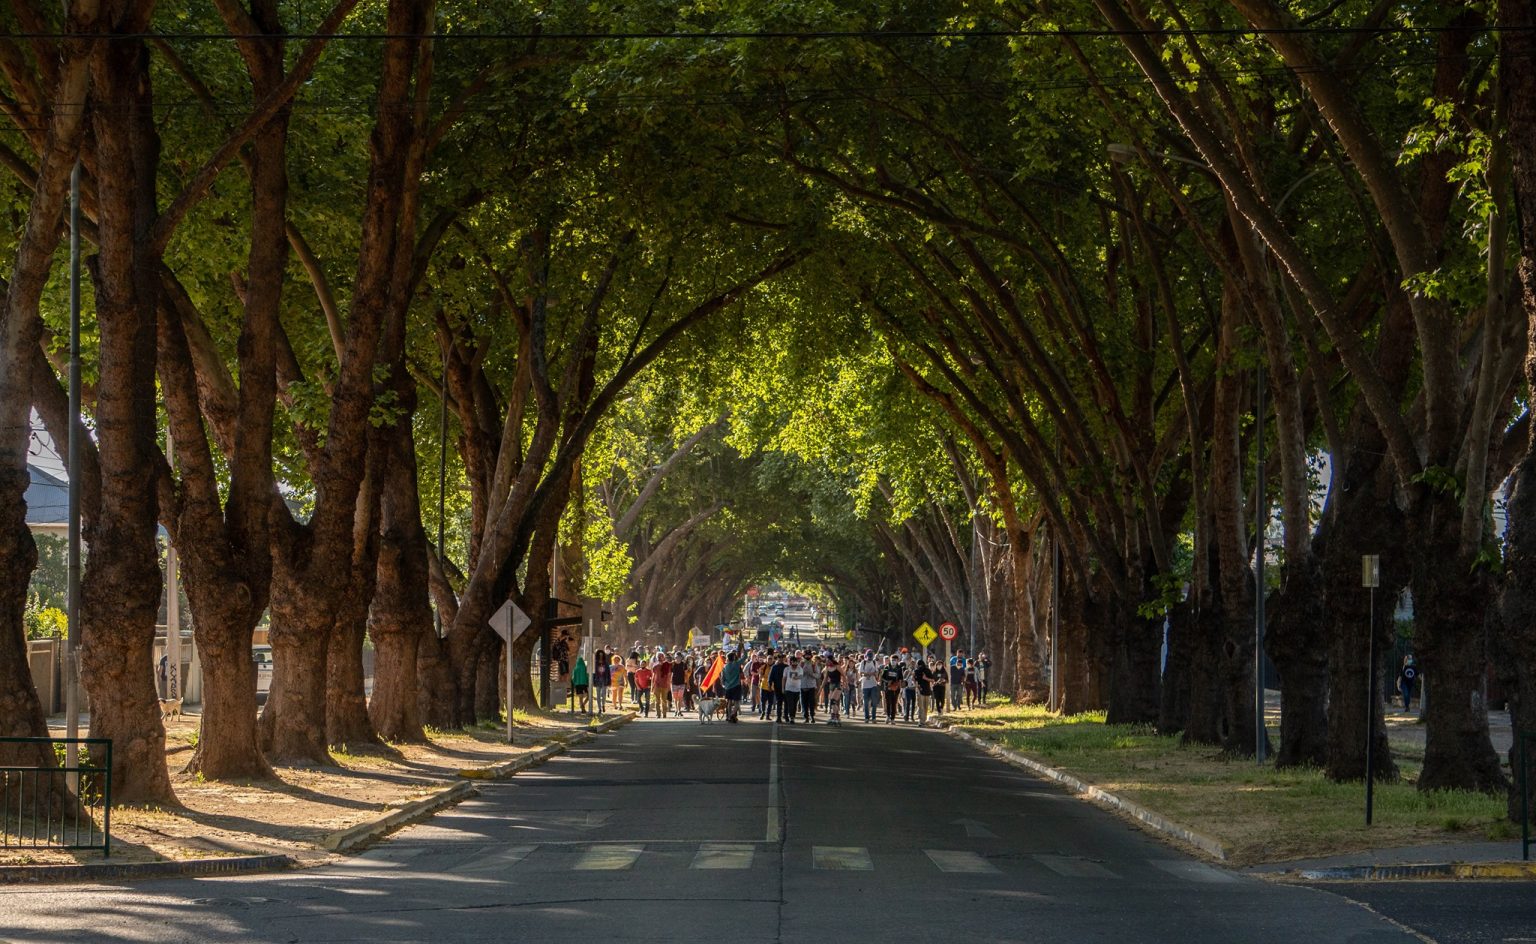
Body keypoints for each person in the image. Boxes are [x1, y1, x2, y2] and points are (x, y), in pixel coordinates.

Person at [879, 657, 904, 723]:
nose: (893, 661)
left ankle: (893, 718)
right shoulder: (887, 667)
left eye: (895, 660)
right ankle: (888, 716)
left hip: (896, 688)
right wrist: (887, 682)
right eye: (892, 660)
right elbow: (882, 678)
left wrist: (898, 685)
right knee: (888, 702)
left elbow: (901, 678)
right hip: (888, 687)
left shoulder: (899, 669)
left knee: (894, 702)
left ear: (897, 660)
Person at [722, 650, 744, 723]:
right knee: (737, 702)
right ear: (734, 657)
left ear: (727, 658)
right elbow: (745, 657)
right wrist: (743, 648)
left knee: (729, 702)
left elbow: (723, 678)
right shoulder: (737, 664)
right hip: (736, 686)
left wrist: (724, 684)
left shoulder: (724, 667)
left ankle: (728, 716)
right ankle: (733, 714)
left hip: (728, 687)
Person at [858, 650, 880, 723]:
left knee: (874, 702)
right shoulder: (863, 662)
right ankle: (866, 717)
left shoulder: (874, 662)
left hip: (873, 684)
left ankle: (874, 718)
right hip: (865, 685)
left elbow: (877, 672)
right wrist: (867, 674)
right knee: (866, 702)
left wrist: (873, 673)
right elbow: (860, 672)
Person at [782, 656, 804, 724]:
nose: (794, 663)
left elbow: (801, 676)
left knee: (794, 704)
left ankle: (793, 717)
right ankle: (791, 716)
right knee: (790, 703)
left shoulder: (799, 668)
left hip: (797, 689)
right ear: (790, 662)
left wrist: (797, 677)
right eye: (792, 662)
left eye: (795, 662)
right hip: (788, 688)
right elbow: (784, 678)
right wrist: (783, 688)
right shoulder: (787, 669)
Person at [913, 656, 933, 723]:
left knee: (925, 706)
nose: (920, 666)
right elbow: (914, 680)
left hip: (927, 690)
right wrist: (915, 684)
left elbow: (933, 680)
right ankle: (921, 720)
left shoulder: (927, 671)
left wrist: (925, 678)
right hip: (920, 690)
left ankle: (923, 719)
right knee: (921, 706)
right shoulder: (916, 671)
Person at [801, 655, 821, 723]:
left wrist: (811, 674)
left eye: (808, 657)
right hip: (803, 686)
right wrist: (802, 673)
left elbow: (818, 675)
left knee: (811, 702)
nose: (807, 659)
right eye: (806, 657)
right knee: (804, 703)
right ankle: (806, 717)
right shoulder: (801, 664)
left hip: (811, 686)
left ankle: (812, 716)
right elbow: (797, 674)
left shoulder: (814, 665)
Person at [824, 657, 843, 725]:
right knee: (832, 702)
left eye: (828, 660)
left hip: (838, 685)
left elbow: (843, 675)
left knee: (833, 700)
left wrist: (846, 685)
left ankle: (835, 717)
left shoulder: (837, 666)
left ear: (831, 660)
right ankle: (835, 717)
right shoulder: (827, 668)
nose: (827, 661)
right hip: (831, 685)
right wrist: (820, 690)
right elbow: (825, 679)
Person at [592, 649, 610, 714]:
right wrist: (593, 681)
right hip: (597, 680)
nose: (600, 656)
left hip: (604, 680)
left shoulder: (606, 663)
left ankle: (603, 705)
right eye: (599, 655)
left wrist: (609, 682)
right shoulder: (595, 663)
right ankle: (599, 708)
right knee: (598, 695)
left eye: (602, 655)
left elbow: (608, 673)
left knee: (604, 694)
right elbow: (593, 673)